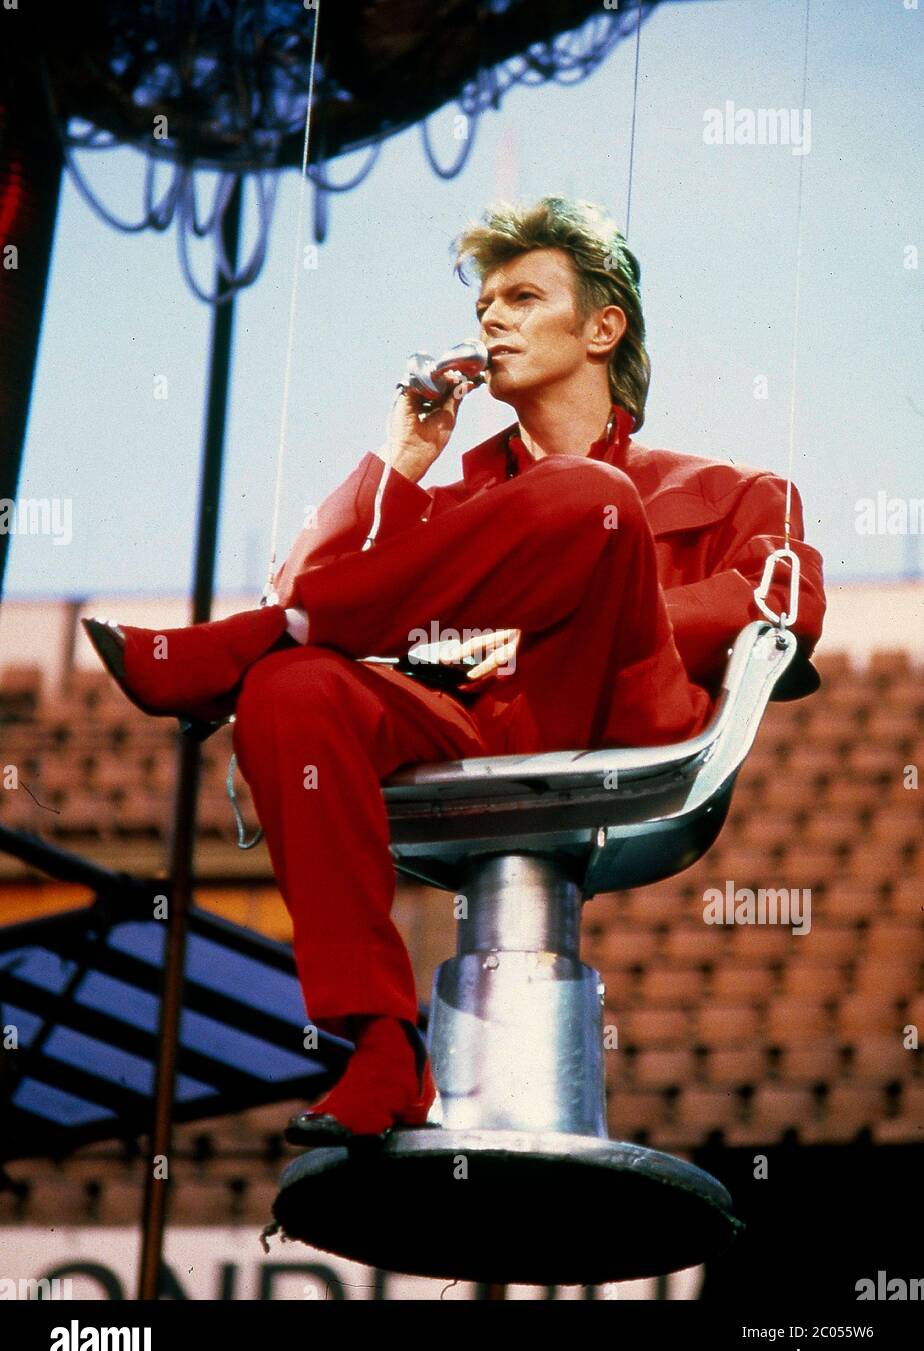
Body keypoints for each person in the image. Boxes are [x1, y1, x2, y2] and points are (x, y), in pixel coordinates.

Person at [83, 196, 826, 1146]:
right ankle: (383, 1044)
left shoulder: (727, 491)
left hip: (621, 706)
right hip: (477, 725)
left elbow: (784, 604)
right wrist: (403, 457)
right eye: (484, 304)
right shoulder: (452, 501)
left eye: (522, 296)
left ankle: (242, 640)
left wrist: (544, 617)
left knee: (591, 500)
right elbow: (316, 576)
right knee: (288, 685)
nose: (491, 319)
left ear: (604, 328)